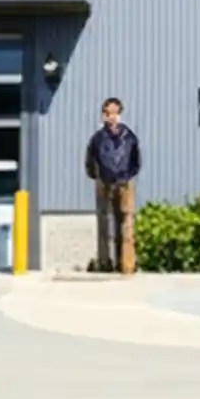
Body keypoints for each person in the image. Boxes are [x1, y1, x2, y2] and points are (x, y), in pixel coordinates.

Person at [84, 97, 142, 274]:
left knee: (126, 223)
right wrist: (98, 177)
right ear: (103, 115)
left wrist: (127, 177)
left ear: (120, 114)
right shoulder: (97, 139)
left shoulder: (129, 137)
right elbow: (89, 161)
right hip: (103, 183)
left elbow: (136, 161)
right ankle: (105, 262)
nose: (111, 117)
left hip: (125, 183)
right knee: (104, 223)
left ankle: (126, 265)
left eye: (114, 113)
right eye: (107, 113)